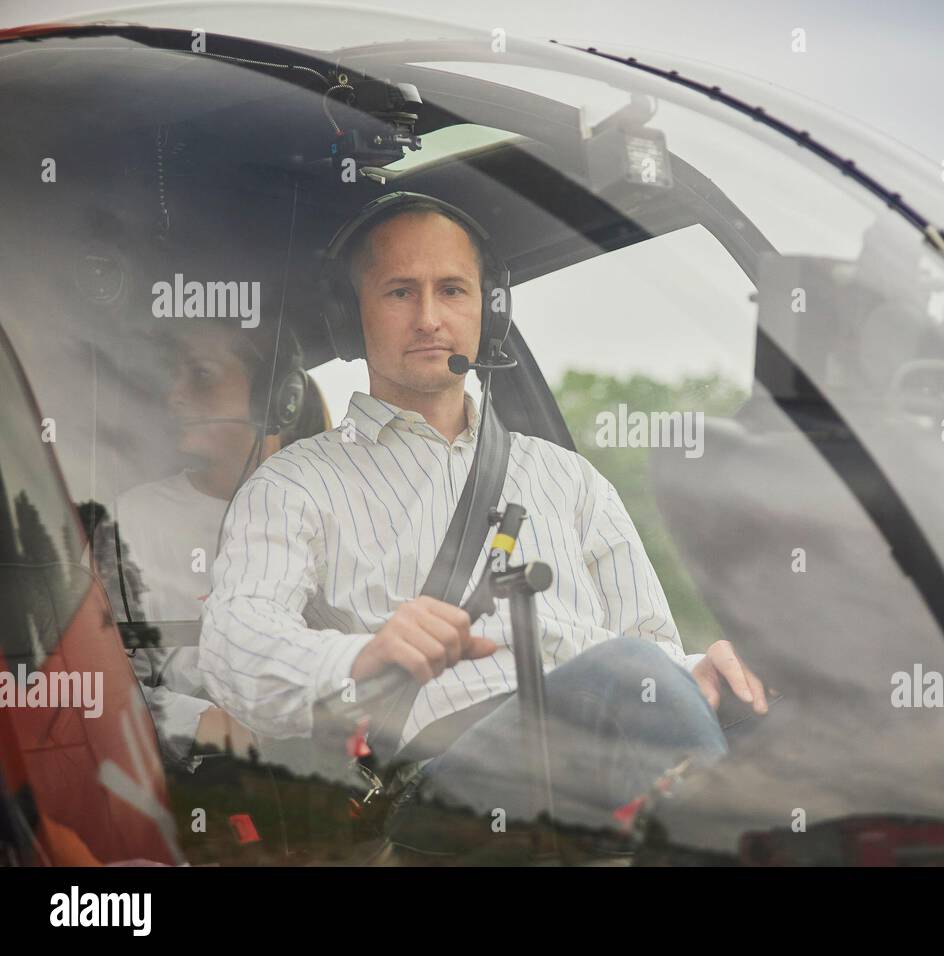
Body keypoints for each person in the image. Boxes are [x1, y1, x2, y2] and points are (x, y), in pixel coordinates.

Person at [197, 194, 768, 834]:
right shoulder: (294, 483)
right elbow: (231, 646)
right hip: (430, 789)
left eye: (451, 290)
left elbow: (653, 655)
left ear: (487, 313)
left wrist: (701, 672)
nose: (429, 318)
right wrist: (359, 659)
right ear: (348, 316)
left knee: (772, 700)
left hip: (599, 739)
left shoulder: (570, 478)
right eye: (398, 293)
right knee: (627, 674)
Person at [114, 320, 330, 766]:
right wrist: (200, 724)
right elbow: (89, 684)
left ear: (275, 397)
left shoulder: (338, 513)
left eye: (202, 375)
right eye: (176, 376)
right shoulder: (132, 521)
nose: (174, 395)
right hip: (201, 799)